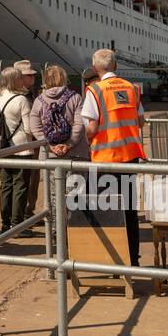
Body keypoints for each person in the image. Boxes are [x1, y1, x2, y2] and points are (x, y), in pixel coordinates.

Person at [81, 49, 146, 265]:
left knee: (107, 210)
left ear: (94, 69)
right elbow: (141, 121)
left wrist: (90, 138)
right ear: (116, 66)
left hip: (104, 160)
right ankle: (133, 259)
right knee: (129, 210)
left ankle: (113, 260)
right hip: (129, 158)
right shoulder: (132, 88)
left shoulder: (94, 90)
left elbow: (91, 127)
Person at [0, 67, 36, 234]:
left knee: (5, 185)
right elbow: (30, 129)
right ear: (15, 80)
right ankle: (18, 224)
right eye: (20, 78)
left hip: (2, 148)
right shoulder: (21, 99)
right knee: (21, 186)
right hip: (21, 148)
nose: (23, 81)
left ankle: (5, 222)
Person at [31, 64, 90, 162]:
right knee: (76, 177)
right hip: (76, 153)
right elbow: (80, 125)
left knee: (52, 178)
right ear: (63, 78)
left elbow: (35, 127)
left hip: (49, 155)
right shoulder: (75, 97)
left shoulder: (39, 100)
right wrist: (69, 144)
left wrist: (50, 146)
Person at [14, 60, 42, 216]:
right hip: (26, 142)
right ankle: (23, 213)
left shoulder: (30, 93)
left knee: (33, 179)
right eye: (29, 75)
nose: (33, 78)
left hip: (32, 142)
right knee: (27, 180)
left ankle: (28, 210)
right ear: (20, 77)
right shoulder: (21, 97)